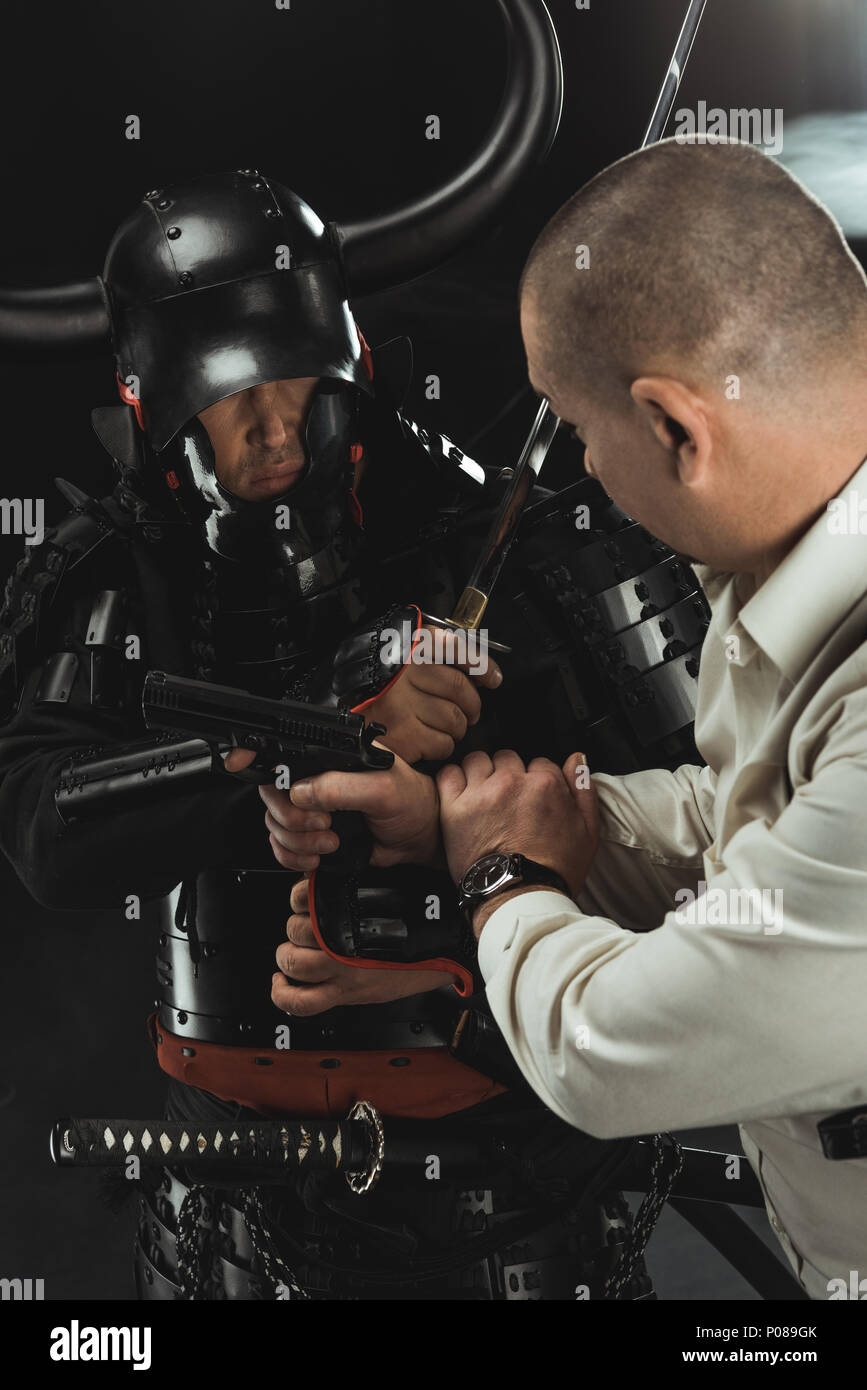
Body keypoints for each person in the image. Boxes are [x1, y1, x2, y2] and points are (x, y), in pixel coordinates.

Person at [0, 162, 707, 1299]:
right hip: (227, 1199)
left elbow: (709, 863)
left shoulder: (501, 532)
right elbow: (45, 827)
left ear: (351, 359)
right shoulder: (117, 574)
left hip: (514, 1189)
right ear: (154, 402)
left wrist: (453, 955)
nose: (274, 425)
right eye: (228, 395)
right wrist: (307, 735)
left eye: (297, 379)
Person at [277, 138, 867, 1300]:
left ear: (677, 427)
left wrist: (500, 878)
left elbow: (608, 1047)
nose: (587, 476)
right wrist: (469, 818)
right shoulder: (808, 560)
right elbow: (764, 826)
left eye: (582, 434)